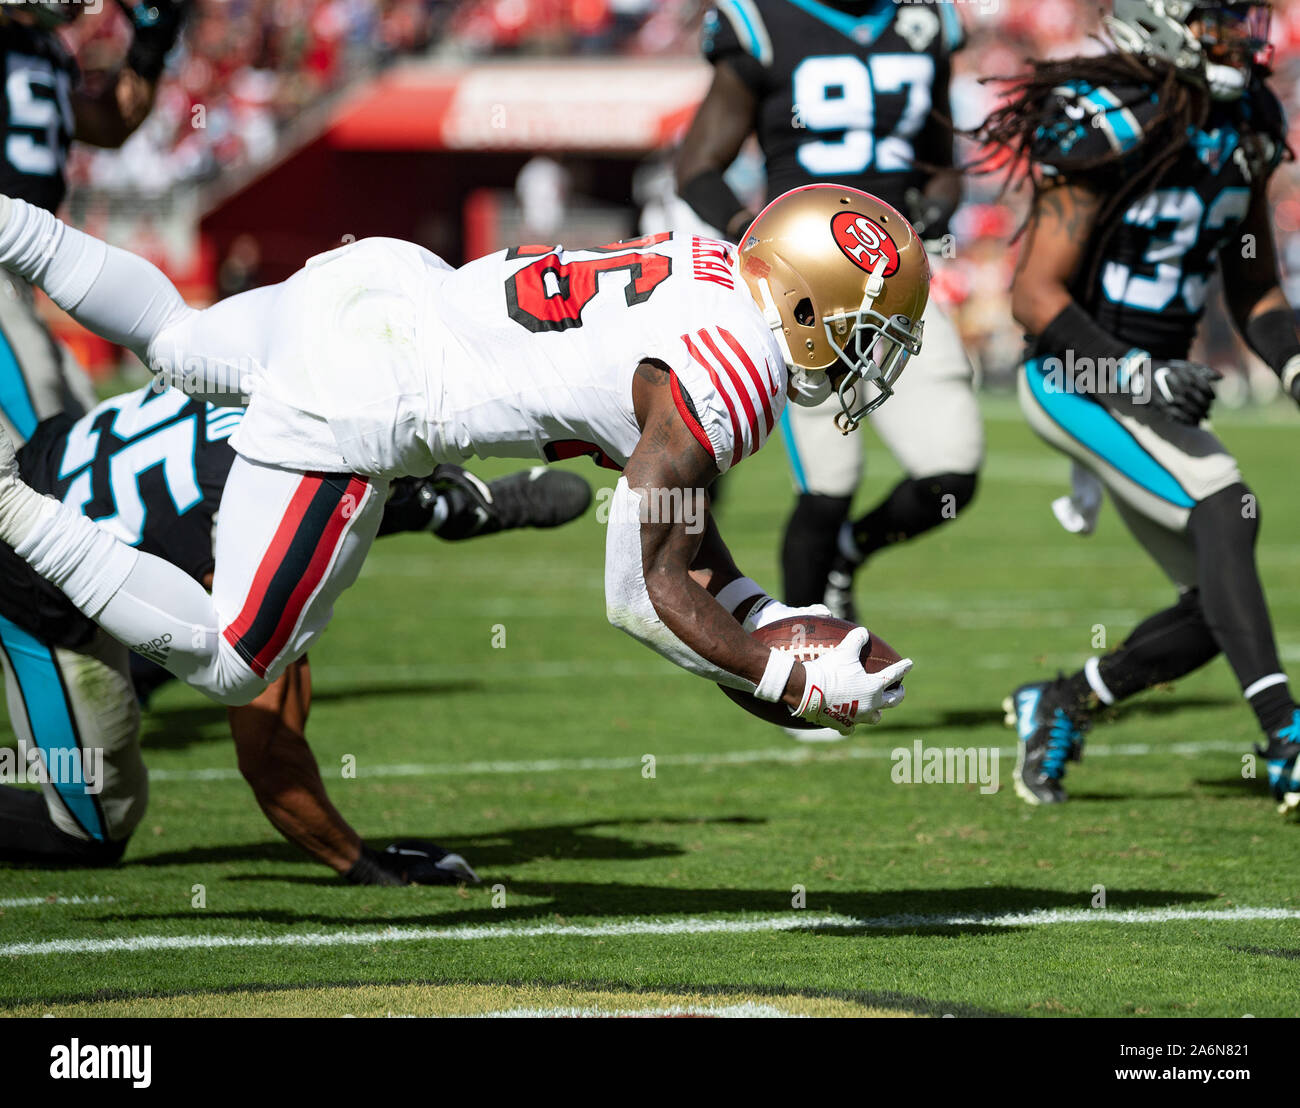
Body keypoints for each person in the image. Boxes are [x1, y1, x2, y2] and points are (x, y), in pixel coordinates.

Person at [0, 183, 920, 745]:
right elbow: (643, 597)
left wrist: (766, 619)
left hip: (386, 288)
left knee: (174, 336)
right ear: (805, 308)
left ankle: (12, 225)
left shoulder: (711, 270)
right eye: (868, 333)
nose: (866, 360)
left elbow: (679, 537)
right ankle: (8, 504)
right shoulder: (741, 370)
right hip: (368, 393)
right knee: (235, 655)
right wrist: (785, 677)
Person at [0, 382, 593, 882]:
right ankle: (445, 504)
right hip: (38, 583)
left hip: (67, 459)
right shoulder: (240, 532)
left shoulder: (282, 381)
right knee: (94, 830)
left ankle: (446, 503)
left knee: (342, 498)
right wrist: (362, 864)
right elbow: (270, 760)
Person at [972, 0, 1300, 811]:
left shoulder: (1245, 119)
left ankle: (1064, 702)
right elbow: (1035, 297)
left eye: (1242, 20)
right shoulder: (1109, 119)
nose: (1239, 37)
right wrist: (1134, 374)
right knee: (1230, 510)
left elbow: (1255, 287)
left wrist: (1294, 363)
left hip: (1153, 382)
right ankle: (1287, 735)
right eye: (1219, 20)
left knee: (1215, 605)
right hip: (1075, 372)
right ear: (1163, 20)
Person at [675, 0, 983, 626]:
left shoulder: (923, 20)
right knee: (828, 485)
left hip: (899, 288)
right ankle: (804, 656)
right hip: (806, 295)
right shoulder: (762, 22)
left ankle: (850, 554)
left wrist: (927, 218)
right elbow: (697, 168)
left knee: (952, 473)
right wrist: (759, 235)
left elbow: (942, 161)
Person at [0, 0, 188, 446]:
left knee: (84, 431)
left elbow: (109, 125)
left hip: (21, 269)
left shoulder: (48, 49)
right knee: (46, 442)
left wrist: (148, 48)